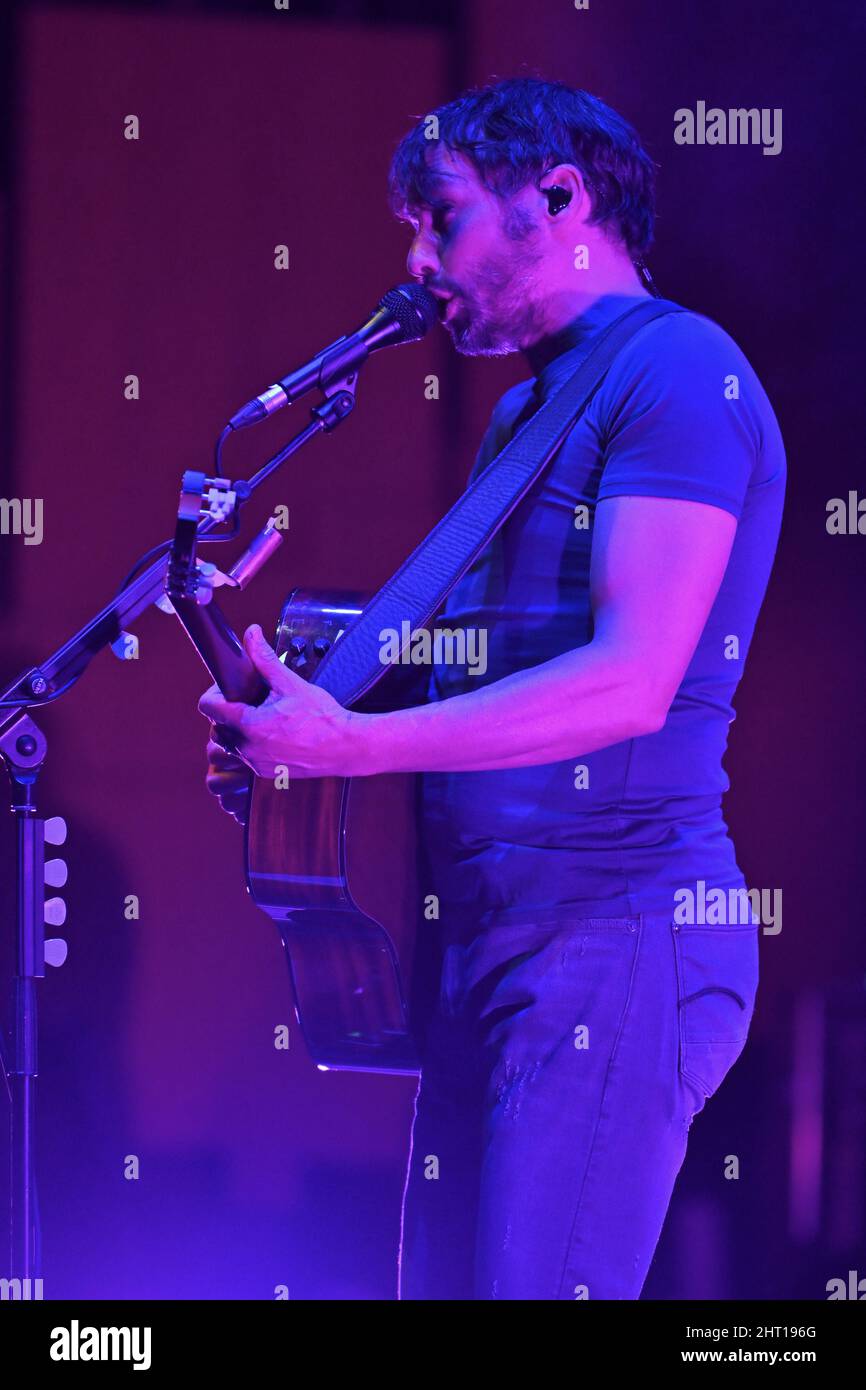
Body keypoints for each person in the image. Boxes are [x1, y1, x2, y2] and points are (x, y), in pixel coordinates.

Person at [200, 77, 786, 1300]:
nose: (415, 258)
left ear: (559, 198)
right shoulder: (528, 407)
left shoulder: (677, 368)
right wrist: (296, 726)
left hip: (616, 924)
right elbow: (492, 660)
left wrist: (353, 747)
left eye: (440, 216)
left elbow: (630, 681)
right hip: (496, 938)